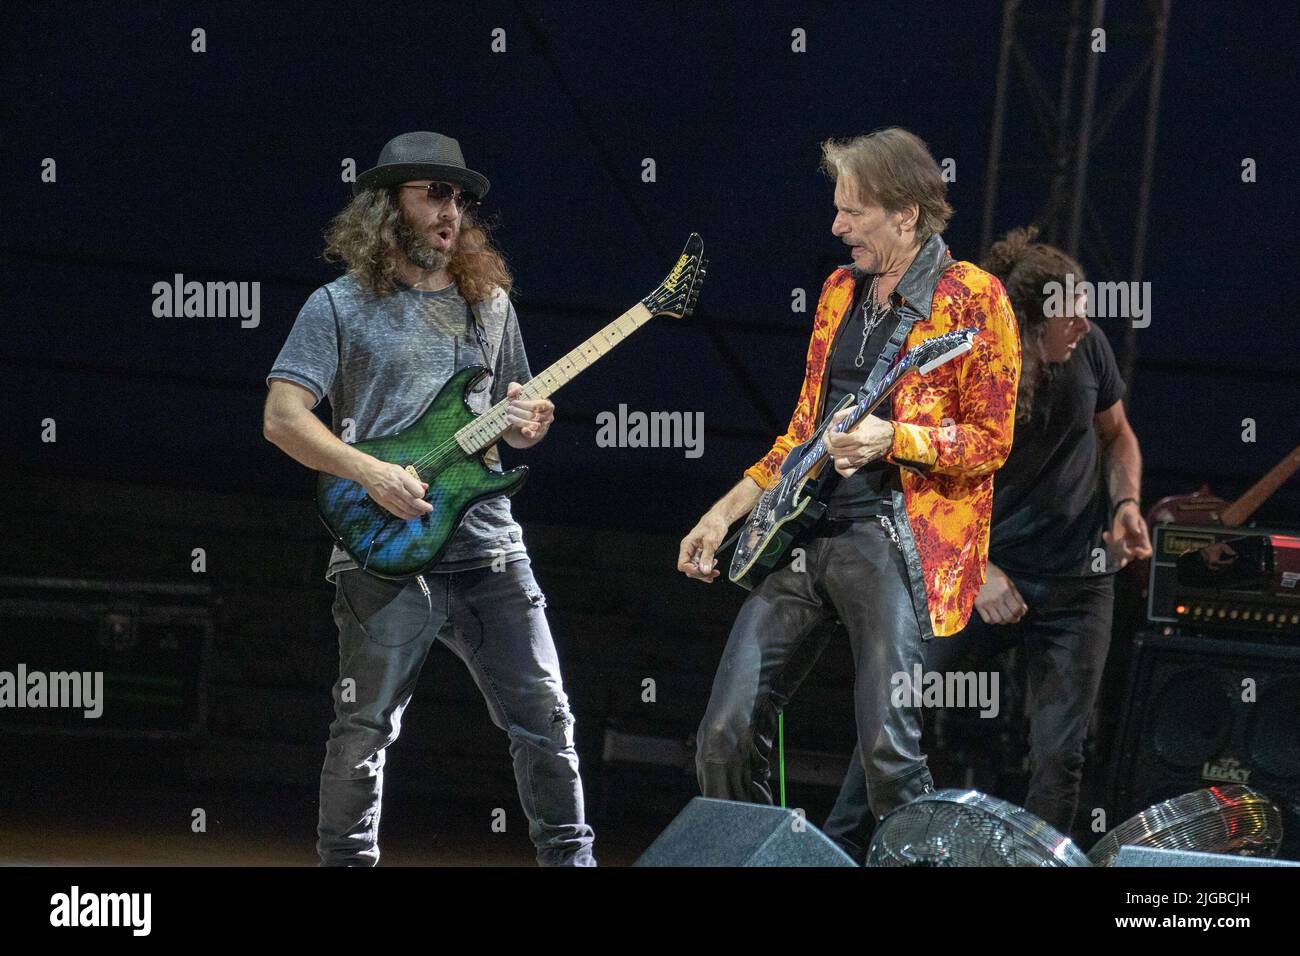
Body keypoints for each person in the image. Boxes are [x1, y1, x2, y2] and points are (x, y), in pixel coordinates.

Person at [263, 131, 595, 866]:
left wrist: (533, 423)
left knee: (547, 719)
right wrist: (369, 473)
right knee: (364, 729)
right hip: (383, 553)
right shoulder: (338, 306)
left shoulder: (492, 307)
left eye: (461, 198)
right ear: (389, 207)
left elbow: (514, 418)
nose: (452, 210)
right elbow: (282, 418)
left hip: (488, 548)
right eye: (434, 193)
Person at [677, 128, 1021, 822]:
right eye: (837, 209)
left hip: (896, 543)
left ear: (907, 213)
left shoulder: (972, 298)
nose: (837, 227)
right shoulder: (838, 292)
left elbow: (992, 440)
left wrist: (895, 435)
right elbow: (802, 433)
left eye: (853, 211)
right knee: (723, 734)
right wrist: (722, 513)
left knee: (889, 755)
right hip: (804, 533)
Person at [823, 227, 1152, 861]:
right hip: (967, 572)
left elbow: (1119, 438)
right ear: (1026, 325)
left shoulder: (1088, 350)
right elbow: (906, 482)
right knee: (897, 719)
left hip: (1075, 581)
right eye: (1069, 316)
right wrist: (979, 570)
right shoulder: (962, 363)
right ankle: (836, 852)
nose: (1084, 325)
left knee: (1062, 753)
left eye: (1086, 310)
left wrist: (1127, 506)